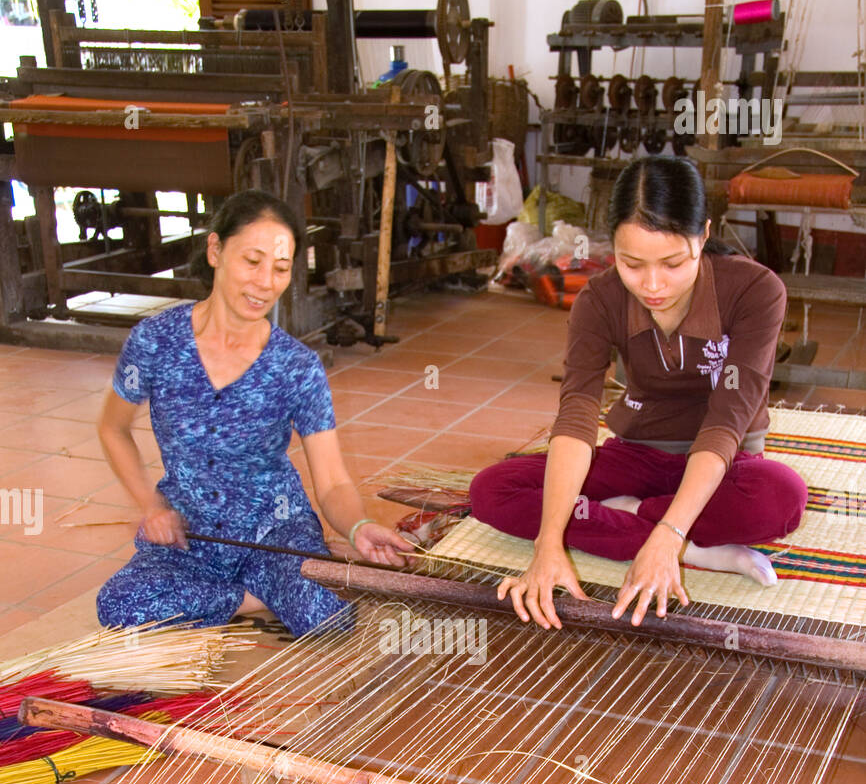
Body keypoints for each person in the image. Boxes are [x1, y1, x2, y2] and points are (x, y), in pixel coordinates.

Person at [469, 156, 808, 628]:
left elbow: (727, 422)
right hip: (639, 453)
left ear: (703, 235)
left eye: (672, 263)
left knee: (782, 497)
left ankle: (648, 525)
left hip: (723, 463)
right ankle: (702, 552)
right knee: (492, 490)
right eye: (632, 264)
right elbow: (577, 415)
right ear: (614, 250)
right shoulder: (600, 299)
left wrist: (666, 533)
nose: (652, 285)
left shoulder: (754, 290)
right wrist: (548, 546)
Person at [96, 189, 411, 635]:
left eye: (280, 269)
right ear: (215, 250)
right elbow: (112, 428)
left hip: (273, 529)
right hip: (190, 533)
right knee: (119, 604)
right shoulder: (155, 340)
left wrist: (358, 526)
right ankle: (258, 599)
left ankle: (226, 598)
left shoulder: (297, 366)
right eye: (252, 261)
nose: (265, 282)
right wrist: (151, 505)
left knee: (327, 613)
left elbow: (334, 480)